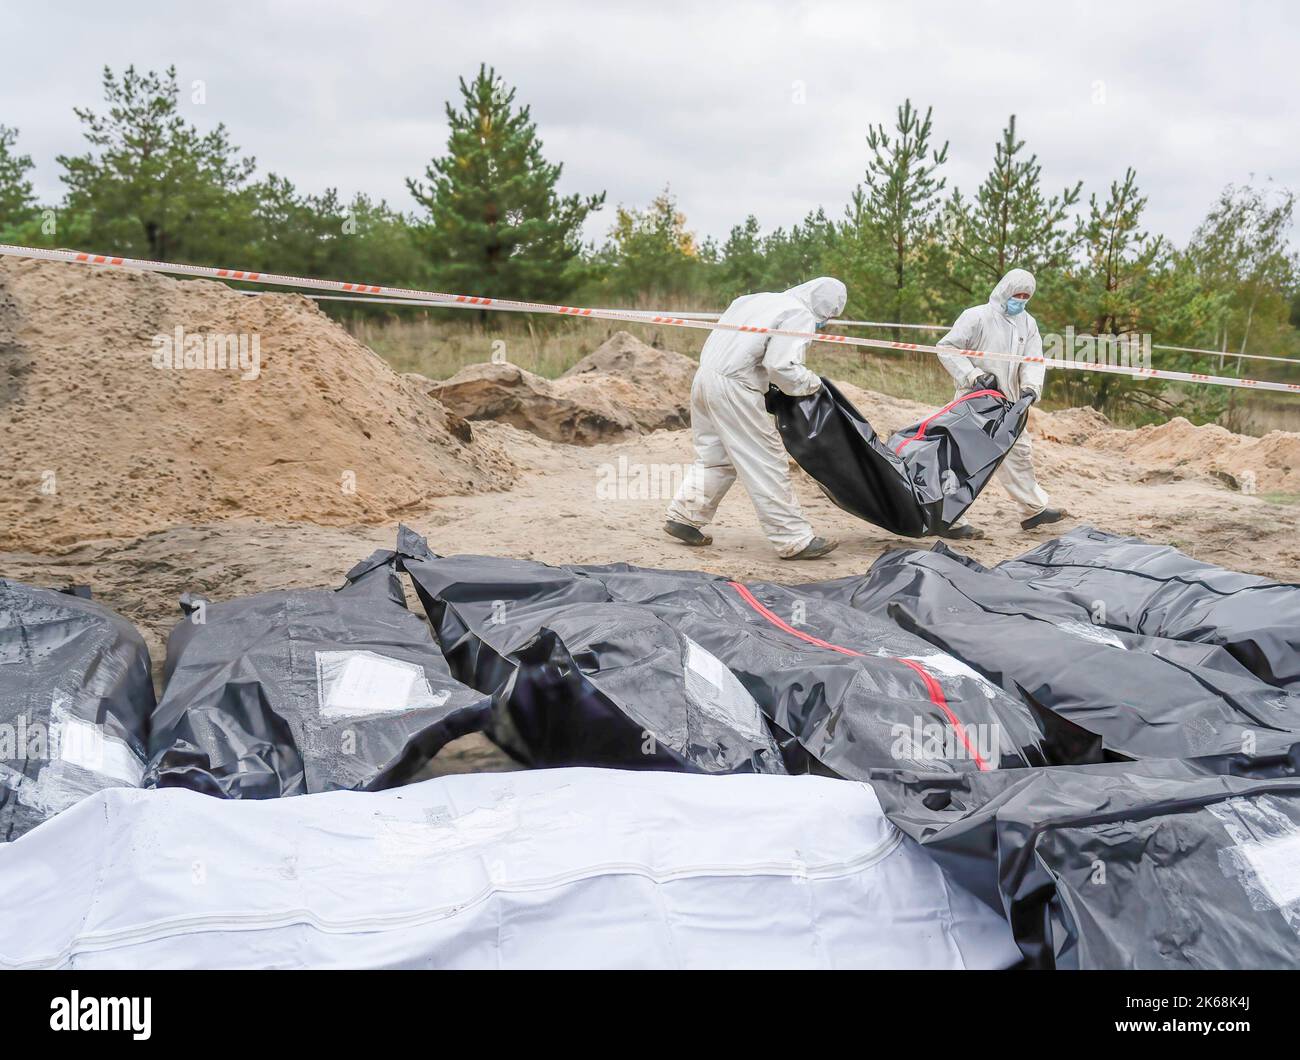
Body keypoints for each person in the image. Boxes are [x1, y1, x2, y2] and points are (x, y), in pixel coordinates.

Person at [665, 277, 846, 559]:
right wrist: (812, 384)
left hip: (704, 378)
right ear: (825, 307)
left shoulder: (752, 300)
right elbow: (781, 366)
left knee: (715, 457)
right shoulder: (798, 314)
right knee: (765, 459)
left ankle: (684, 517)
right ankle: (794, 539)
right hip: (736, 386)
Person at [935, 267, 1066, 540]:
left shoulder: (1027, 323)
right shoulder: (976, 316)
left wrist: (1031, 388)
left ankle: (1033, 510)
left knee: (1019, 453)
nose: (1020, 300)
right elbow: (947, 348)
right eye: (1016, 294)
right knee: (963, 458)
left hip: (1010, 403)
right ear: (1005, 290)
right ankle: (951, 519)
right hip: (975, 400)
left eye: (1025, 296)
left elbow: (1033, 359)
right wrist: (974, 375)